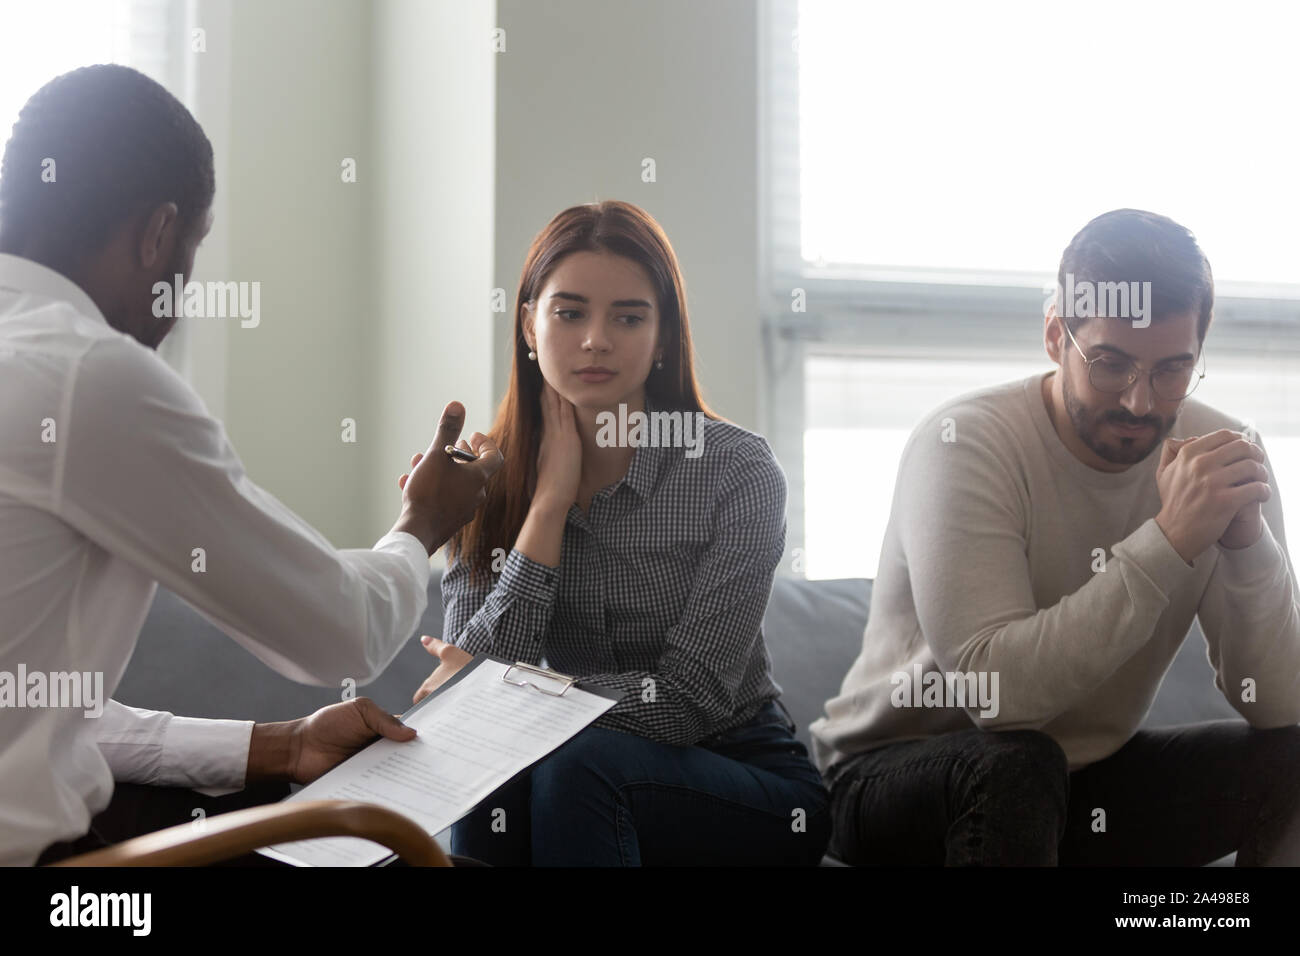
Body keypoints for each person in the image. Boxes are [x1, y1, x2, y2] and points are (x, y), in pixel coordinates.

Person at [0, 64, 501, 866]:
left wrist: (280, 747)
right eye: (192, 251)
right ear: (157, 234)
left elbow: (34, 714)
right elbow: (343, 630)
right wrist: (423, 521)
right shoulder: (91, 377)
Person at [811, 209, 1300, 865]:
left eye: (1172, 371)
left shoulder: (1222, 456)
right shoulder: (965, 443)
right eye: (1110, 365)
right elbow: (997, 698)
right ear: (1053, 336)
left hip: (1080, 784)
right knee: (1018, 763)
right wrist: (1169, 541)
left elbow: (1281, 706)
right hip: (893, 776)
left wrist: (1246, 547)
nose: (1139, 402)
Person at [412, 200, 830, 865]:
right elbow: (467, 701)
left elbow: (689, 702)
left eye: (629, 317)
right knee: (494, 774)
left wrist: (520, 695)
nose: (596, 340)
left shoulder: (736, 470)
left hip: (745, 776)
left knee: (575, 758)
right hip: (570, 778)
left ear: (663, 337)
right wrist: (548, 506)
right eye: (570, 313)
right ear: (529, 324)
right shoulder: (481, 478)